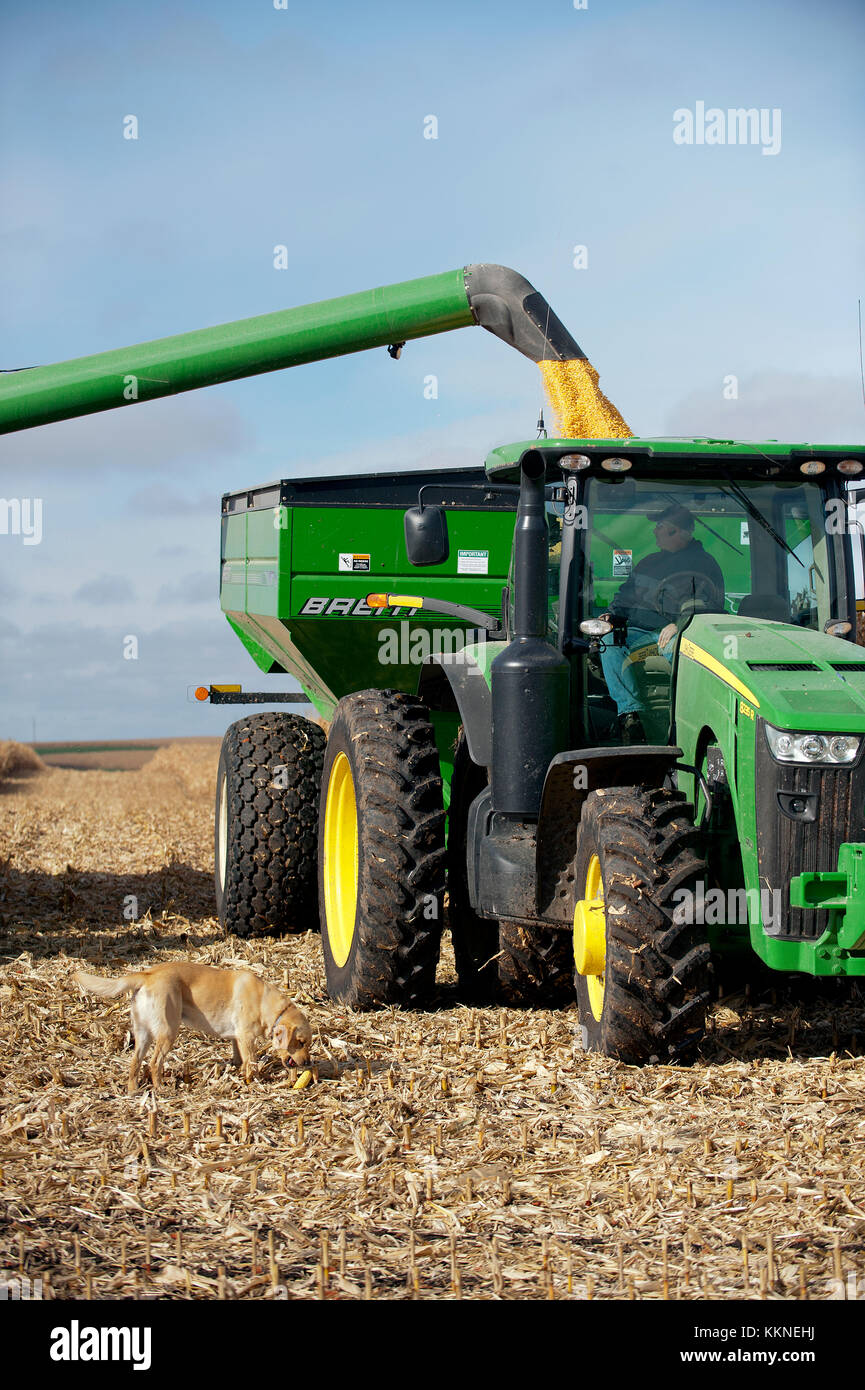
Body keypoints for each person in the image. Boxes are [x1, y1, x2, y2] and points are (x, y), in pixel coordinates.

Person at [599, 504, 724, 743]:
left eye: (660, 527)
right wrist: (611, 615)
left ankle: (686, 717)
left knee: (680, 650)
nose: (654, 532)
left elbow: (712, 604)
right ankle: (630, 716)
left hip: (680, 634)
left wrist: (681, 622)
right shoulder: (649, 563)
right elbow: (626, 595)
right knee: (608, 641)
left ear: (678, 532)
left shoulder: (704, 564)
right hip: (640, 634)